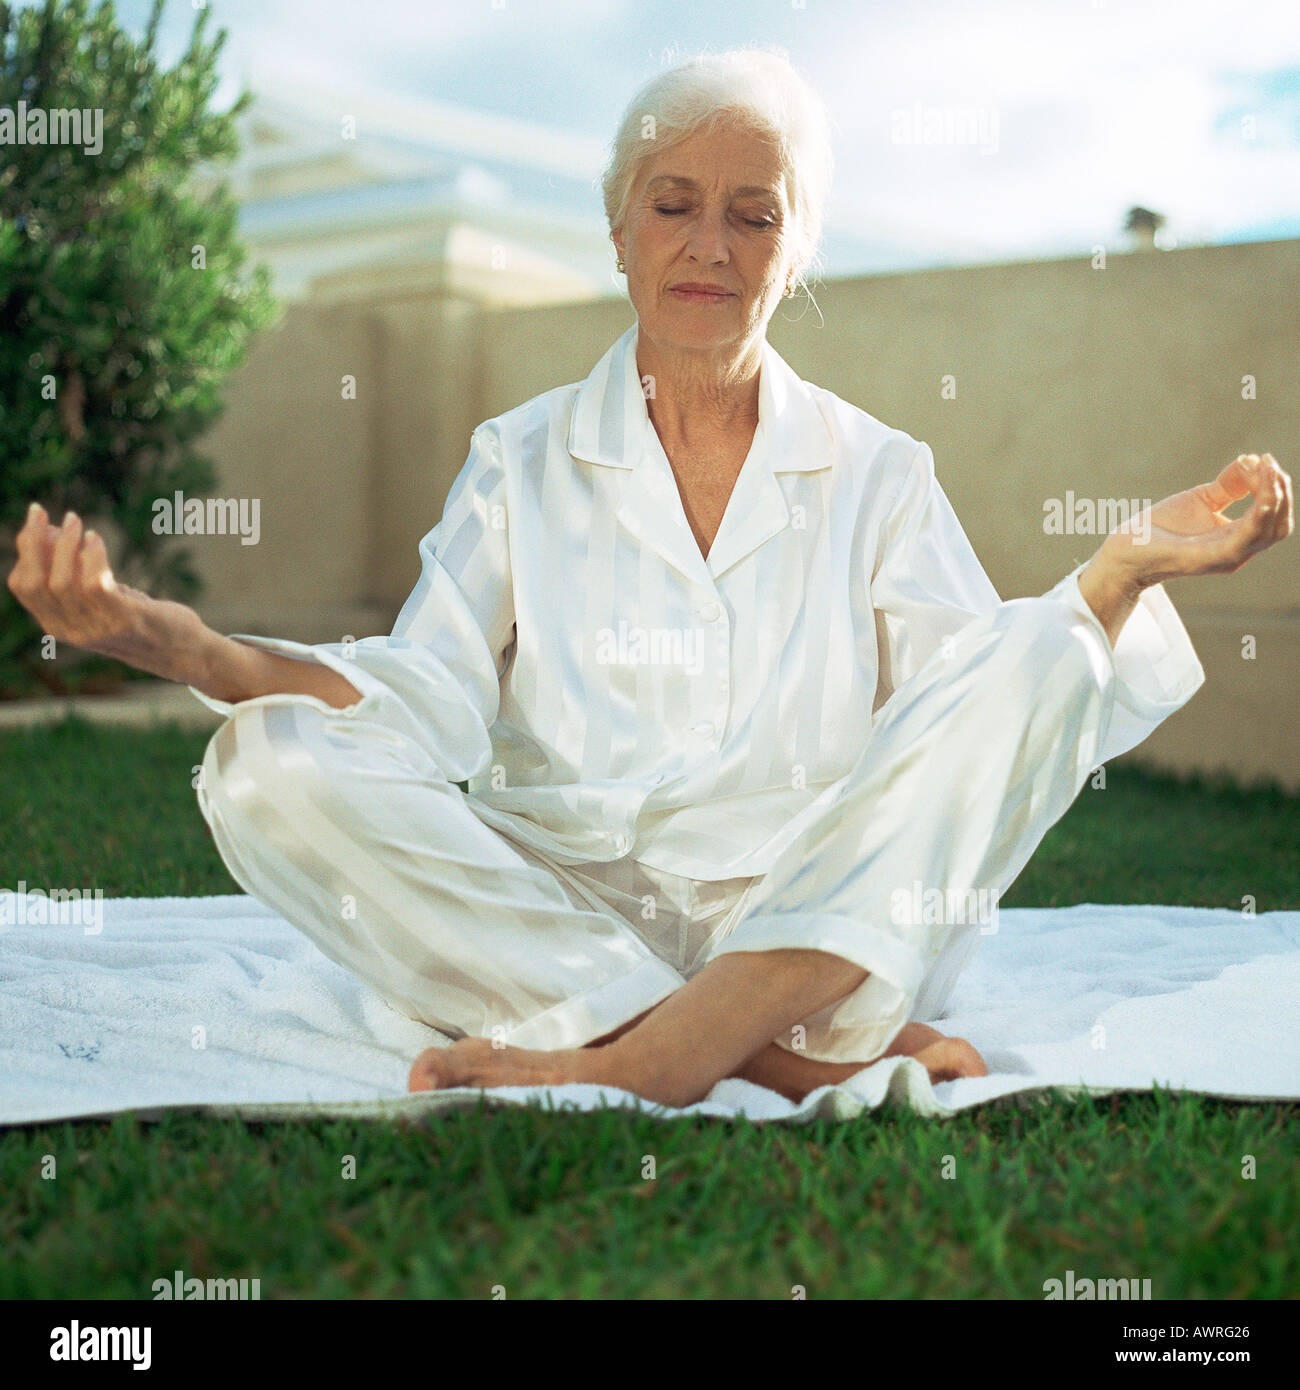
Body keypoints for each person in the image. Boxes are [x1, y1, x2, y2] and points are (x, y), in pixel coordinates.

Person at [8, 50, 1291, 1110]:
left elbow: (969, 728)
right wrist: (191, 651)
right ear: (620, 232)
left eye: (756, 213)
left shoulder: (880, 471)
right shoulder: (516, 460)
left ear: (799, 255)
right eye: (673, 203)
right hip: (564, 924)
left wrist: (1115, 577)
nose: (709, 246)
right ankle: (749, 1057)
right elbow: (422, 697)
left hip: (819, 938)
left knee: (1049, 644)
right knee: (263, 763)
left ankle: (671, 1049)